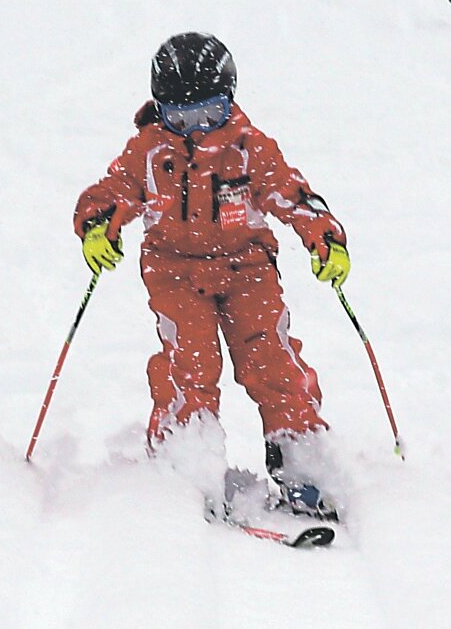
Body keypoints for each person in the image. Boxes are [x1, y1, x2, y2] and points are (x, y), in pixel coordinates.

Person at [73, 33, 349, 519]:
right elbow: (114, 190)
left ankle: (300, 460)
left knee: (272, 360)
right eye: (181, 118)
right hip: (175, 273)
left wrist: (322, 236)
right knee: (190, 365)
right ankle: (185, 463)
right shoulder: (149, 150)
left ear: (231, 101)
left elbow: (291, 192)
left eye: (209, 114)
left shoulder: (249, 148)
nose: (196, 129)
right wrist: (99, 223)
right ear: (162, 111)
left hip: (248, 270)